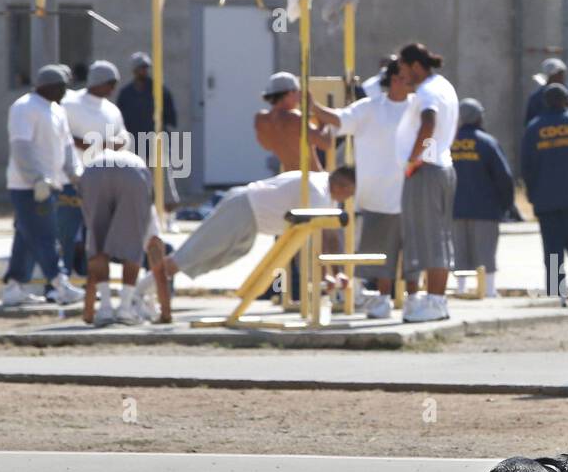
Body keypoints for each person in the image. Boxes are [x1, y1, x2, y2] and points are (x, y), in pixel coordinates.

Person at [149, 167, 356, 322]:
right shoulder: (318, 193)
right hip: (243, 208)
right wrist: (328, 273)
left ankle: (147, 292)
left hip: (252, 217)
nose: (350, 198)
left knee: (213, 259)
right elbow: (319, 239)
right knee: (191, 255)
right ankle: (140, 294)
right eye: (350, 192)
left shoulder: (323, 184)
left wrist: (336, 271)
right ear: (342, 186)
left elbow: (331, 234)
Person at [312, 56, 412, 319]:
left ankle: (414, 299)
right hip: (377, 196)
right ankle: (381, 300)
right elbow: (338, 119)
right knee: (380, 255)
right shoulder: (369, 107)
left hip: (412, 193)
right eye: (403, 77)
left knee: (413, 255)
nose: (409, 82)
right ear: (392, 79)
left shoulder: (419, 108)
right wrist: (312, 105)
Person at [2, 65, 83, 307]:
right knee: (46, 235)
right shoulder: (24, 107)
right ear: (48, 86)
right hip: (29, 187)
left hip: (50, 184)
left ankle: (14, 285)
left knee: (27, 235)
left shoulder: (56, 110)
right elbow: (21, 147)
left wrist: (75, 174)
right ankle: (60, 284)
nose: (65, 92)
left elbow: (66, 146)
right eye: (61, 87)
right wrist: (36, 178)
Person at [397, 41, 460, 322]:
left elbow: (428, 123)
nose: (401, 77)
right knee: (439, 235)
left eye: (403, 70)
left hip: (426, 169)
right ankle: (436, 300)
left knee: (429, 237)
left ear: (416, 67)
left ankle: (434, 302)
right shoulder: (443, 85)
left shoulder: (427, 92)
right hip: (440, 165)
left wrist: (413, 159)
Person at [521, 84, 568, 306]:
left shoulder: (534, 128)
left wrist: (532, 194)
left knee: (552, 248)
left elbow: (527, 167)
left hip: (546, 200)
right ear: (567, 101)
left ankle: (558, 294)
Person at [78, 148, 155, 326]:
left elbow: (93, 244)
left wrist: (88, 309)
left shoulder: (99, 156)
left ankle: (104, 307)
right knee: (132, 242)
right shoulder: (136, 161)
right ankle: (125, 308)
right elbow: (148, 242)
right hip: (133, 174)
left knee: (97, 241)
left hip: (94, 170)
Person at [452, 98, 514, 298]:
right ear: (478, 117)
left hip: (455, 208)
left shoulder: (448, 142)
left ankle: (461, 288)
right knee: (485, 250)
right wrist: (506, 205)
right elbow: (504, 176)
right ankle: (488, 289)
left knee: (460, 250)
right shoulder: (487, 142)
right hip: (485, 208)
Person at [255, 71, 333, 173]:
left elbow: (267, 146)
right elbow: (326, 143)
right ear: (290, 93)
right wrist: (324, 118)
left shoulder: (261, 119)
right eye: (298, 91)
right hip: (310, 179)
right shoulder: (295, 117)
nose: (299, 96)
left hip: (288, 177)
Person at [116, 51, 176, 142]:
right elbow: (120, 118)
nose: (145, 71)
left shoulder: (159, 90)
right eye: (142, 67)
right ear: (134, 70)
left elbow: (170, 116)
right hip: (134, 142)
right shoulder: (125, 94)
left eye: (146, 67)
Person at [524, 58, 568, 124]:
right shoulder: (536, 97)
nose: (561, 76)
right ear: (548, 75)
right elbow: (530, 121)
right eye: (557, 73)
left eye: (562, 73)